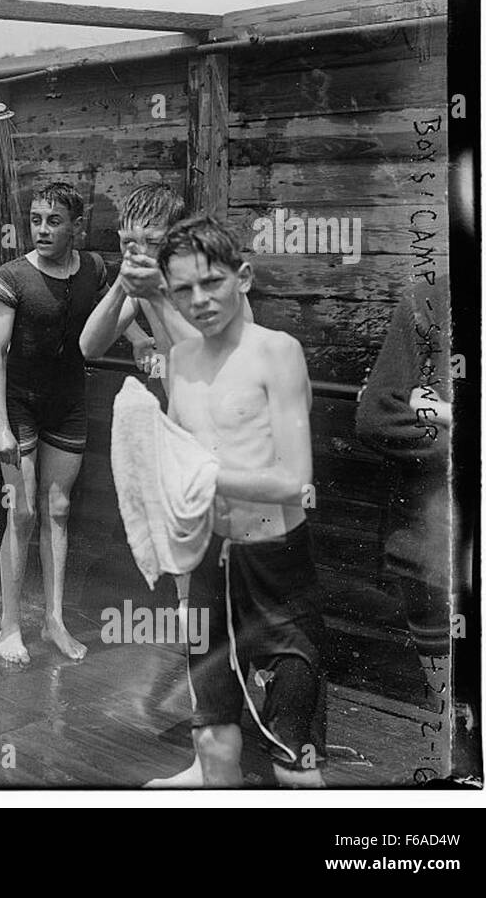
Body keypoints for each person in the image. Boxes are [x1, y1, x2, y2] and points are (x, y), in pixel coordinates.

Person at [153, 214, 325, 788]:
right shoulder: (179, 361)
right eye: (183, 289)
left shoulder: (276, 351)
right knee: (211, 726)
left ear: (243, 276)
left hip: (273, 558)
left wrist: (203, 474)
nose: (198, 300)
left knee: (290, 751)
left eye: (212, 282)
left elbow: (294, 479)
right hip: (209, 560)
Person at [0, 183, 106, 664]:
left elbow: (108, 311)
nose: (41, 229)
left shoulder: (94, 268)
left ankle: (53, 620)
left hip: (69, 401)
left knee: (57, 510)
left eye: (53, 221)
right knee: (22, 512)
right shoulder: (12, 275)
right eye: (35, 219)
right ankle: (9, 627)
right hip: (19, 406)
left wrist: (141, 339)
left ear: (77, 225)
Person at [356, 275, 456, 732]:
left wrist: (448, 412)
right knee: (457, 724)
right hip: (432, 557)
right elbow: (376, 415)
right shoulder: (427, 300)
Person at [81, 182, 249, 382]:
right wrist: (121, 283)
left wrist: (157, 296)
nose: (139, 253)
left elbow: (224, 360)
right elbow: (90, 348)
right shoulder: (143, 287)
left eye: (152, 242)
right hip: (177, 409)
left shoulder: (211, 279)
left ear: (177, 237)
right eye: (127, 242)